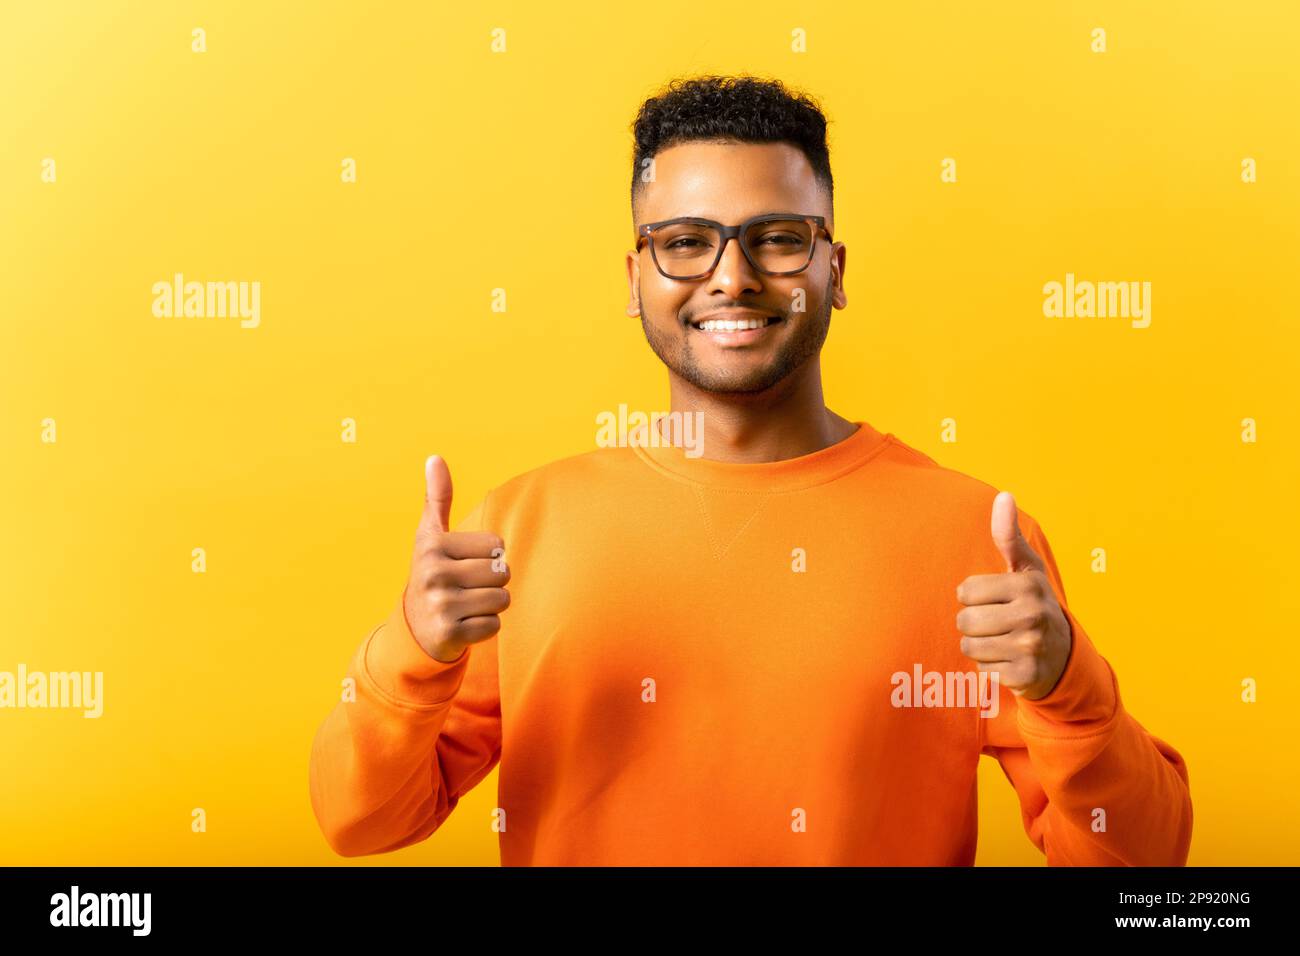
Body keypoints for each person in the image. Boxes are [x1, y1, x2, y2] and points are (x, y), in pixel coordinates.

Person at [309, 74, 1192, 866]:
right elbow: (361, 822)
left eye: (776, 238)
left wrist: (1070, 688)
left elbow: (1144, 867)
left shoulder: (973, 536)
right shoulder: (516, 530)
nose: (732, 278)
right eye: (686, 241)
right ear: (634, 279)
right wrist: (412, 652)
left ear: (834, 269)